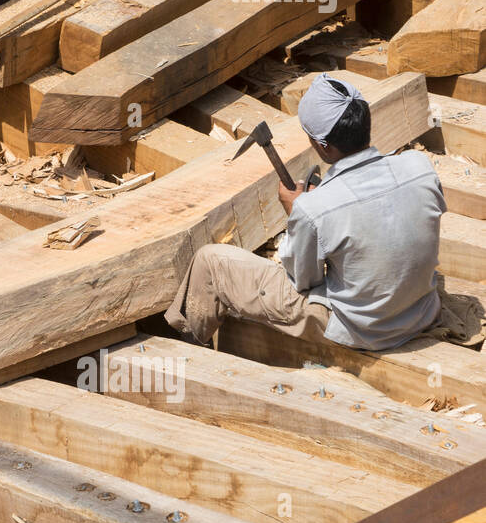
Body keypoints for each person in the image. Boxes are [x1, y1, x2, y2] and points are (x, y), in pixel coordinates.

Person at [165, 73, 445, 351]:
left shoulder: (313, 209)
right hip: (420, 313)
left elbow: (303, 280)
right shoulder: (419, 166)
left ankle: (190, 351)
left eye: (310, 138)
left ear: (322, 145)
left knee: (210, 261)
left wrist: (298, 213)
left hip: (362, 330)